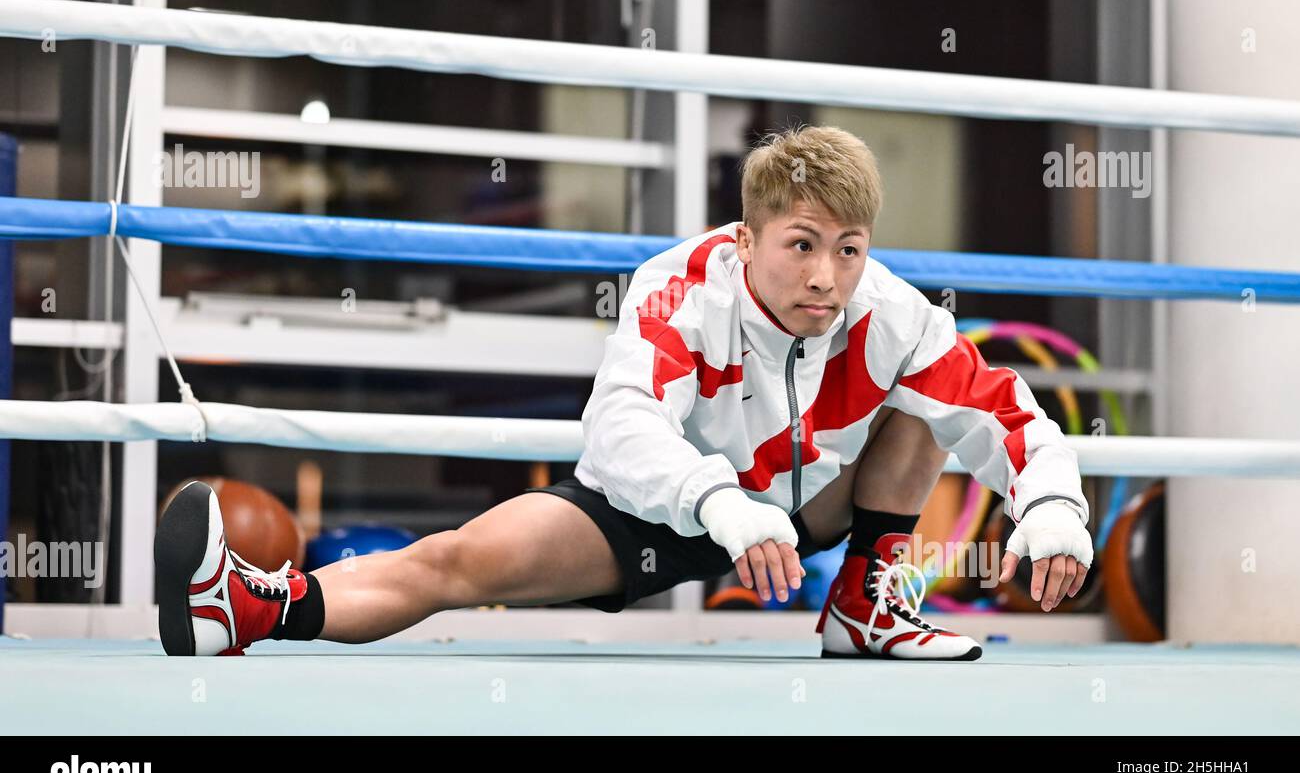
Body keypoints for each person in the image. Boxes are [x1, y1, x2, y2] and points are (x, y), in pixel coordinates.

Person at [154, 125, 1094, 660]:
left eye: (848, 249)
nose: (827, 277)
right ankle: (242, 608)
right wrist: (719, 503)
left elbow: (1003, 409)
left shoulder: (889, 313)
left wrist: (1051, 507)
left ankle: (865, 607)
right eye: (801, 244)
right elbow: (621, 425)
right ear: (745, 240)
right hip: (660, 514)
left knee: (932, 393)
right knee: (455, 562)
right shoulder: (680, 288)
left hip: (810, 503)